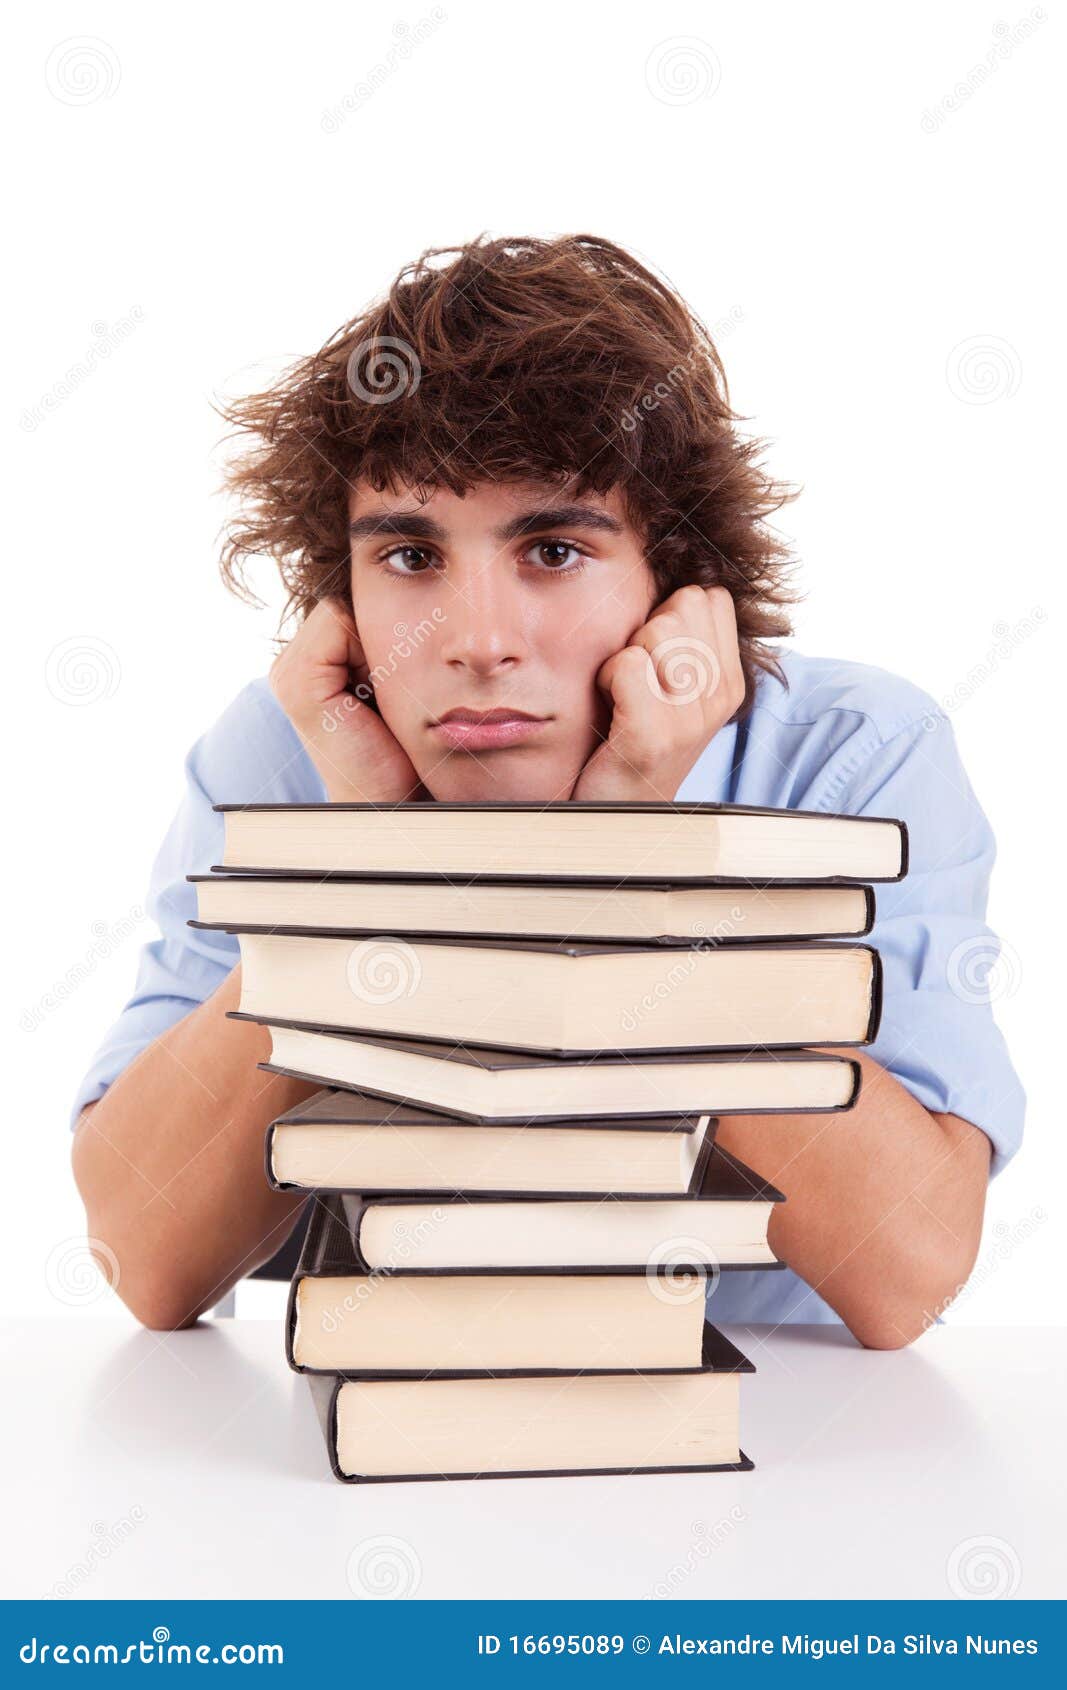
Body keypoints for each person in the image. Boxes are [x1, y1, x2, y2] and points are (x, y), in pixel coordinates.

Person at [70, 234, 1023, 1343]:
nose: (477, 642)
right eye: (412, 558)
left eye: (554, 550)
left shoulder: (854, 752)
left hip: (776, 1448)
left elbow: (908, 1273)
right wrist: (371, 865)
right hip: (364, 1453)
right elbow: (142, 1256)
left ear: (677, 582)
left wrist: (628, 859)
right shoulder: (289, 752)